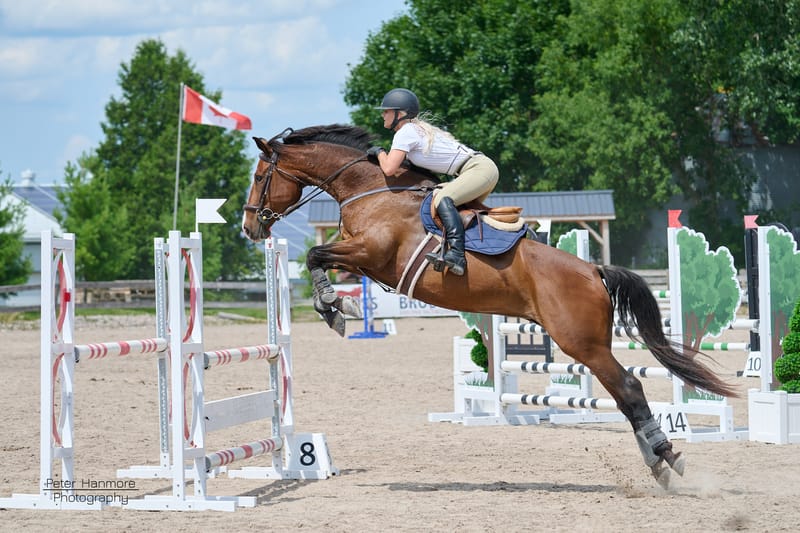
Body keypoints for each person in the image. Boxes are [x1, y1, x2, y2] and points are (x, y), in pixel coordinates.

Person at [367, 88, 499, 276]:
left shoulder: (406, 132)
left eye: (386, 110)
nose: (382, 115)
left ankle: (457, 256)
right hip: (476, 169)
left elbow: (389, 168)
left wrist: (379, 152)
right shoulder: (414, 130)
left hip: (478, 169)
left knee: (443, 199)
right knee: (450, 206)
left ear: (400, 114)